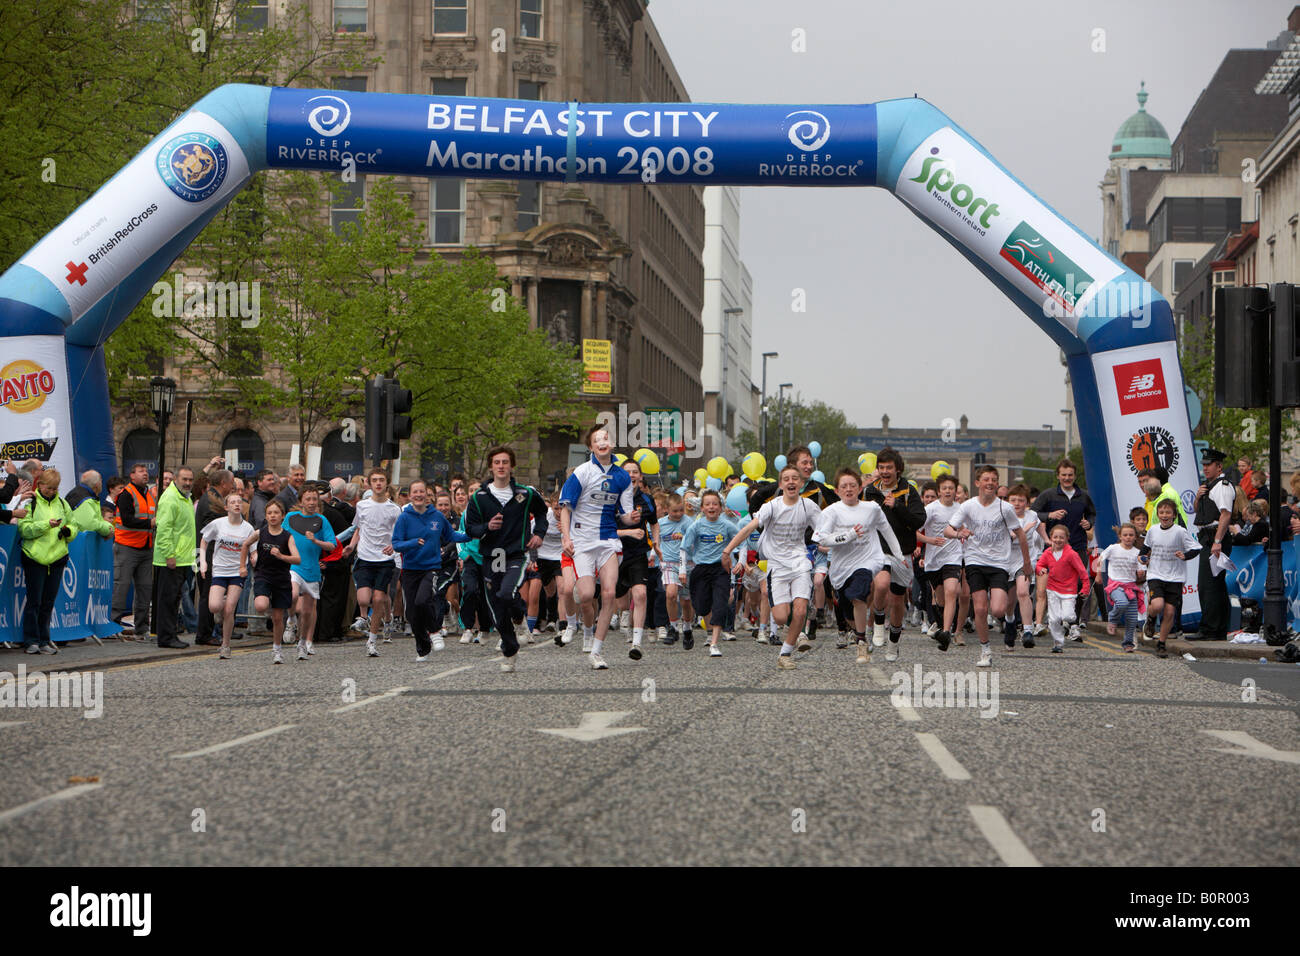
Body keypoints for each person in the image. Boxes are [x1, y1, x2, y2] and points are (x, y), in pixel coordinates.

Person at [725, 464, 823, 669]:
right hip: (776, 565)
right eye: (786, 478)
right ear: (781, 484)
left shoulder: (809, 507)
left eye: (795, 478)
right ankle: (793, 630)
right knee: (779, 618)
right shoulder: (772, 506)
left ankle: (785, 654)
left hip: (799, 562)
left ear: (801, 483)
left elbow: (824, 531)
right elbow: (749, 528)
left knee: (800, 609)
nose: (791, 482)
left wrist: (845, 540)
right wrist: (728, 550)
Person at [558, 426, 640, 669]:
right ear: (591, 447)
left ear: (612, 443)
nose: (602, 442)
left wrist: (631, 518)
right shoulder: (581, 473)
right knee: (584, 595)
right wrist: (566, 538)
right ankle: (581, 624)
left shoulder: (623, 477)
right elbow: (565, 508)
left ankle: (596, 651)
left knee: (609, 594)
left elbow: (623, 516)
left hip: (608, 542)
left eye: (606, 438)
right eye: (597, 440)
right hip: (582, 541)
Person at [466, 447, 548, 671]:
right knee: (496, 605)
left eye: (505, 462)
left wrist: (539, 534)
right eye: (497, 462)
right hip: (491, 555)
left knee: (506, 593)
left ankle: (520, 615)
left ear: (512, 466)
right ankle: (510, 650)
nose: (501, 466)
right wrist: (487, 527)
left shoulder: (525, 493)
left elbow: (542, 513)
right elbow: (470, 528)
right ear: (491, 467)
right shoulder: (479, 497)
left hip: (515, 554)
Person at [811, 468, 902, 664]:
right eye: (844, 486)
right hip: (840, 567)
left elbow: (886, 529)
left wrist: (898, 554)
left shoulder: (871, 508)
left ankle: (861, 642)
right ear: (837, 491)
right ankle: (857, 630)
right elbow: (821, 539)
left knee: (858, 596)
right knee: (846, 607)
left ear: (860, 488)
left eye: (853, 485)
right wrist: (848, 535)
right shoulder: (831, 512)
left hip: (868, 560)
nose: (849, 489)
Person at [945, 465, 1031, 668]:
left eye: (994, 479)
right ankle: (985, 650)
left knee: (998, 609)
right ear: (978, 483)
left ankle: (1008, 618)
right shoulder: (967, 506)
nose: (990, 483)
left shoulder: (1005, 508)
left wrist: (1027, 563)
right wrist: (959, 534)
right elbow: (948, 530)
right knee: (981, 608)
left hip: (999, 563)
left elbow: (1020, 534)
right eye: (986, 479)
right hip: (975, 561)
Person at [861, 447, 926, 661]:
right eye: (882, 467)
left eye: (889, 467)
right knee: (880, 585)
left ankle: (894, 642)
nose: (885, 471)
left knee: (898, 600)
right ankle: (878, 622)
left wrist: (897, 505)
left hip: (903, 553)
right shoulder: (870, 492)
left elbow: (919, 520)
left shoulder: (908, 491)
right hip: (879, 550)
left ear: (898, 469)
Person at [392, 479, 467, 661]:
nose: (418, 495)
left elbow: (451, 535)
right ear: (410, 496)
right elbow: (396, 543)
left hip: (431, 567)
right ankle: (423, 648)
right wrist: (412, 543)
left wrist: (473, 534)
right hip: (410, 569)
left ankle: (434, 630)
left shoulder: (436, 516)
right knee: (412, 612)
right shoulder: (404, 517)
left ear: (427, 495)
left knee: (423, 600)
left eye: (421, 492)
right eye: (415, 492)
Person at [1031, 459, 1096, 639]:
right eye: (1064, 475)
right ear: (1058, 476)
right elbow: (1033, 513)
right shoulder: (1049, 495)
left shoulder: (1083, 495)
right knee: (1052, 586)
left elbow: (1092, 513)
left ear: (1075, 476)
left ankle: (1073, 623)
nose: (1067, 478)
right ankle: (1052, 620)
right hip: (1054, 549)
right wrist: (1049, 515)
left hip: (1077, 546)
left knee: (1078, 585)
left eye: (1070, 475)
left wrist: (1088, 522)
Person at [16, 469, 76, 655]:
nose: (52, 491)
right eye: (49, 488)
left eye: (55, 488)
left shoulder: (62, 503)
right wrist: (46, 525)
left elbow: (74, 525)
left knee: (48, 602)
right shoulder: (30, 503)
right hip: (35, 557)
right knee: (34, 601)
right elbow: (24, 529)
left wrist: (68, 532)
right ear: (40, 485)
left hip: (57, 558)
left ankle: (44, 640)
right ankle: (30, 640)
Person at [344, 469, 402, 655]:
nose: (378, 483)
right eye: (374, 480)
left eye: (381, 480)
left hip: (385, 559)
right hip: (365, 557)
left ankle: (372, 640)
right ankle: (370, 619)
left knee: (378, 598)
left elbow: (399, 534)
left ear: (387, 483)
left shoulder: (394, 509)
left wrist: (394, 546)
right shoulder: (361, 506)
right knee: (363, 598)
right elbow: (359, 528)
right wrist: (351, 546)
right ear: (369, 483)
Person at [679, 489, 743, 657]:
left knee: (720, 604)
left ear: (721, 507)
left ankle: (714, 643)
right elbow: (684, 548)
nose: (711, 507)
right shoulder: (697, 525)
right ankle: (706, 629)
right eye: (707, 504)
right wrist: (682, 570)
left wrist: (740, 561)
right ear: (702, 507)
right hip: (700, 570)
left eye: (715, 504)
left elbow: (741, 542)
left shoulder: (727, 525)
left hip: (720, 569)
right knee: (701, 606)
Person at [198, 492, 258, 659]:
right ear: (226, 507)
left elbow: (253, 550)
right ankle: (221, 604)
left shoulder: (248, 528)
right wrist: (203, 562)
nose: (237, 504)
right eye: (233, 502)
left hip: (238, 571)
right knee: (214, 607)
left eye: (239, 502)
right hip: (219, 570)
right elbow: (204, 541)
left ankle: (225, 645)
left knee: (230, 609)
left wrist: (254, 558)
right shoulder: (218, 524)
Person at [242, 499, 300, 663]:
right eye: (269, 513)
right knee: (260, 605)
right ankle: (268, 603)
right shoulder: (260, 533)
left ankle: (277, 649)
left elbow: (297, 559)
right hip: (263, 575)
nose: (273, 516)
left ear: (282, 516)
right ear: (266, 516)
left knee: (277, 618)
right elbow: (245, 545)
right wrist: (243, 565)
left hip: (281, 578)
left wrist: (281, 556)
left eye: (276, 513)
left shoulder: (287, 537)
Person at [1141, 499, 1201, 658]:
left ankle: (1161, 643)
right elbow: (1144, 549)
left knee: (1169, 612)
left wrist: (1185, 555)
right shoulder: (1153, 530)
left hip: (1175, 577)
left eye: (1168, 512)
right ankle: (1151, 618)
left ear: (1174, 515)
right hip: (1156, 574)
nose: (1165, 515)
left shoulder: (1180, 531)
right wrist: (1142, 558)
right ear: (1157, 515)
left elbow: (1196, 548)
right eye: (1161, 512)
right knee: (1158, 605)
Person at [284, 486, 337, 660]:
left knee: (307, 611)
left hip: (312, 569)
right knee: (292, 595)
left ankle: (304, 642)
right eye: (308, 499)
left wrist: (316, 540)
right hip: (294, 567)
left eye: (315, 499)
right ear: (301, 502)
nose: (312, 502)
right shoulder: (291, 518)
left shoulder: (322, 520)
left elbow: (332, 545)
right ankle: (291, 620)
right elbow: (281, 537)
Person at [614, 460, 657, 660]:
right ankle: (622, 617)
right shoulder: (612, 498)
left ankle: (637, 643)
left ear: (640, 476)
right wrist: (628, 532)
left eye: (635, 472)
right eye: (627, 472)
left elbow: (655, 523)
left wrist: (656, 543)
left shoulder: (646, 500)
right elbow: (604, 530)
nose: (631, 475)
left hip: (638, 555)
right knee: (617, 598)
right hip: (613, 554)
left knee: (640, 594)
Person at [1191, 448, 1235, 641]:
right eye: (1204, 465)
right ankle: (1216, 628)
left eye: (1209, 465)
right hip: (1207, 537)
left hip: (1215, 538)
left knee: (1210, 585)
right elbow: (1198, 512)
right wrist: (1198, 497)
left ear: (1219, 466)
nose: (1205, 468)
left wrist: (1217, 541)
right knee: (1213, 585)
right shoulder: (1208, 487)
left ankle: (1210, 629)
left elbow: (1225, 515)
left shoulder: (1222, 486)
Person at [152, 465, 196, 649]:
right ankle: (166, 638)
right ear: (176, 479)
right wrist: (169, 555)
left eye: (190, 480)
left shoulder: (184, 498)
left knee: (174, 599)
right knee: (168, 600)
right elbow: (164, 530)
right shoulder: (170, 499)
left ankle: (170, 635)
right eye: (184, 479)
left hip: (182, 558)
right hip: (171, 559)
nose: (187, 483)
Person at [916, 472, 961, 651]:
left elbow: (967, 528)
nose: (948, 491)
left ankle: (947, 631)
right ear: (939, 491)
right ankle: (942, 623)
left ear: (955, 491)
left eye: (951, 488)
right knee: (940, 598)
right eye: (944, 488)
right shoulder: (930, 509)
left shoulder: (961, 509)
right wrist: (930, 541)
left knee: (952, 591)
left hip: (954, 556)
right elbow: (915, 531)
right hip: (934, 559)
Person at [112, 462, 156, 637]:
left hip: (146, 547)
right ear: (132, 475)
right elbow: (128, 519)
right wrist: (149, 523)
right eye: (140, 471)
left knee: (145, 590)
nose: (145, 474)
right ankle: (113, 626)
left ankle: (142, 627)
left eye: (146, 471)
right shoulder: (126, 494)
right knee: (121, 587)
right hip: (126, 547)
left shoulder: (150, 494)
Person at [193, 468, 235, 646]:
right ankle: (204, 634)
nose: (233, 486)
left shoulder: (213, 497)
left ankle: (211, 631)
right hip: (207, 556)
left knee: (210, 594)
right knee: (208, 595)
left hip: (207, 555)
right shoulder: (211, 501)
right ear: (224, 483)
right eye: (232, 482)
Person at [1035, 525, 1091, 654]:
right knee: (1054, 619)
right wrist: (1040, 569)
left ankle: (1066, 625)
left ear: (1067, 538)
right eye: (1055, 537)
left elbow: (1082, 572)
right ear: (1051, 538)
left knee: (1068, 616)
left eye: (1061, 537)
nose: (1058, 540)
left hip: (1069, 591)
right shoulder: (1048, 553)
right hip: (1052, 589)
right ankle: (1058, 643)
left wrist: (1085, 587)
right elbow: (1039, 565)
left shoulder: (1072, 554)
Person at [317, 479, 357, 643]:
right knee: (331, 599)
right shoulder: (333, 513)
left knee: (323, 599)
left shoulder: (332, 513)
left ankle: (320, 632)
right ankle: (328, 632)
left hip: (331, 560)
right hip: (331, 562)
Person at [656, 492, 694, 647]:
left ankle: (687, 628)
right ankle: (672, 627)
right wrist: (654, 554)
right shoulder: (660, 523)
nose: (678, 514)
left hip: (687, 564)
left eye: (680, 510)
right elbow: (655, 540)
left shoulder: (688, 522)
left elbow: (694, 542)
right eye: (674, 511)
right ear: (666, 509)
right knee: (671, 594)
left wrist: (684, 538)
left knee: (686, 601)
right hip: (669, 564)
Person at [1099, 523, 1145, 652]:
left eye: (1131, 535)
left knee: (1132, 619)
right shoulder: (1113, 548)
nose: (1128, 537)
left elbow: (1141, 568)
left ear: (1135, 537)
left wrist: (1141, 572)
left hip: (1131, 587)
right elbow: (1100, 559)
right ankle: (1112, 619)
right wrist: (1098, 575)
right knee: (1121, 602)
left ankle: (1128, 643)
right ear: (1120, 536)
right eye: (1125, 535)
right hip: (1115, 585)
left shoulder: (1137, 553)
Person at [65, 470, 115, 541]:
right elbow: (89, 525)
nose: (101, 484)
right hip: (80, 545)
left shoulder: (80, 494)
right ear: (96, 484)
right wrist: (108, 529)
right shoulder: (85, 499)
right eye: (101, 481)